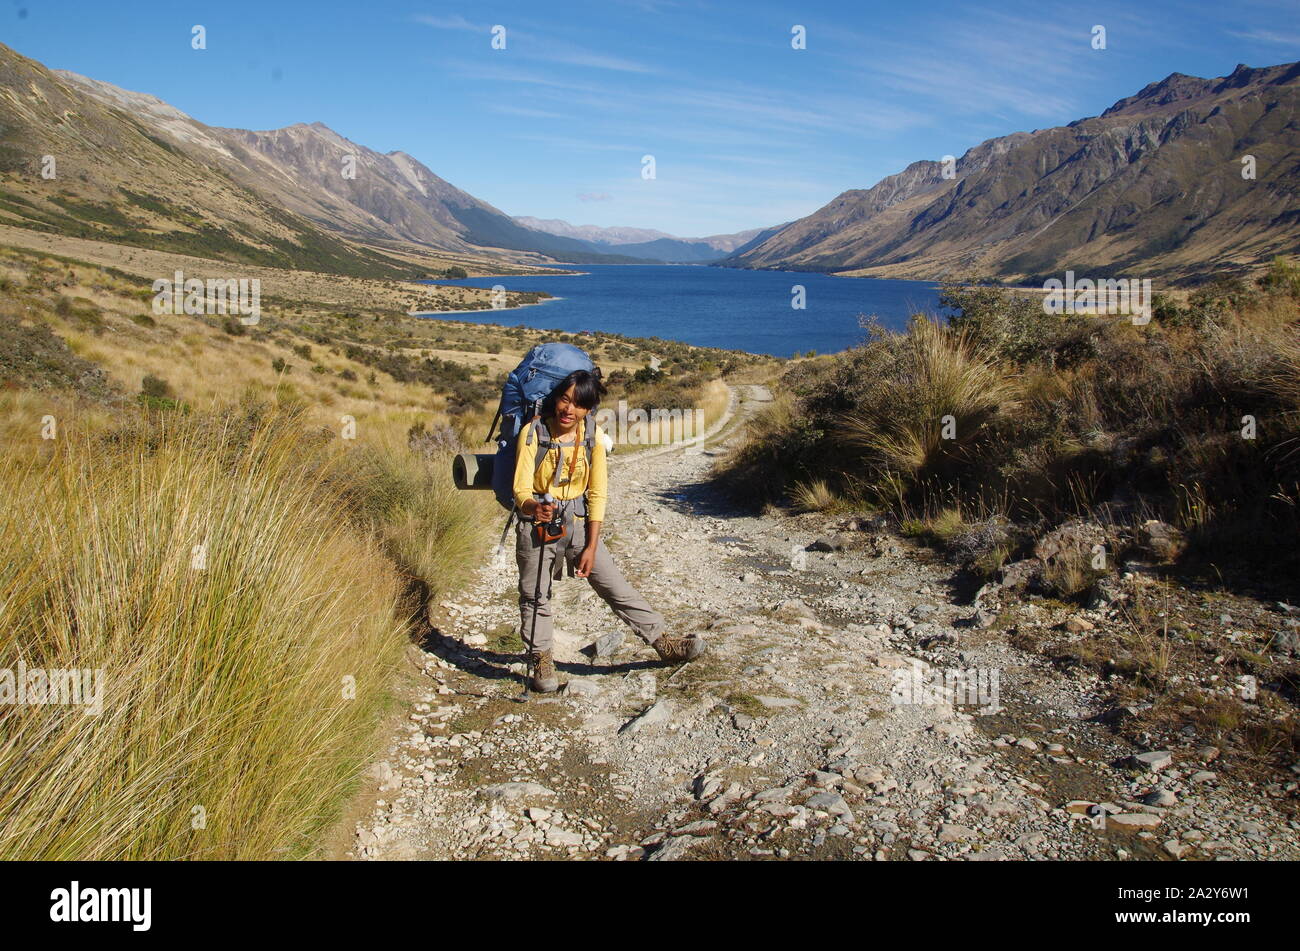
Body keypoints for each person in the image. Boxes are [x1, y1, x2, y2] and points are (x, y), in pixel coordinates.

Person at [513, 368, 704, 692]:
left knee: (614, 585)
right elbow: (520, 489)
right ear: (555, 398)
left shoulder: (592, 436)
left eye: (579, 404)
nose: (568, 409)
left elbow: (598, 492)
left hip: (577, 520)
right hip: (537, 524)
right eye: (564, 399)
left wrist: (590, 545)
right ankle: (542, 661)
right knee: (535, 595)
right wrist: (534, 507)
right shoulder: (533, 433)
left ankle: (663, 642)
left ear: (589, 409)